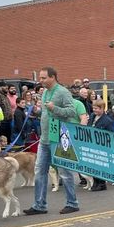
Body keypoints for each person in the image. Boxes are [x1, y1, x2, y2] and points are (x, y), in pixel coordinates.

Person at [23, 66, 80, 215]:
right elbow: (46, 113)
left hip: (61, 137)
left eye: (43, 78)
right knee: (40, 171)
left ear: (52, 77)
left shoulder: (62, 92)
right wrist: (38, 111)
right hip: (45, 139)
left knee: (64, 172)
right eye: (40, 78)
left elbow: (71, 112)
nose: (40, 80)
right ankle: (39, 205)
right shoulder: (46, 93)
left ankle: (72, 203)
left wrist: (54, 108)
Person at [87, 100, 114, 192]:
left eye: (97, 108)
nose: (94, 110)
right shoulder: (92, 116)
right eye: (93, 108)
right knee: (93, 164)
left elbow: (111, 134)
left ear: (102, 108)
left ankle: (101, 183)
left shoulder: (108, 120)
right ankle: (95, 182)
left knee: (100, 164)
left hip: (102, 146)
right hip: (92, 144)